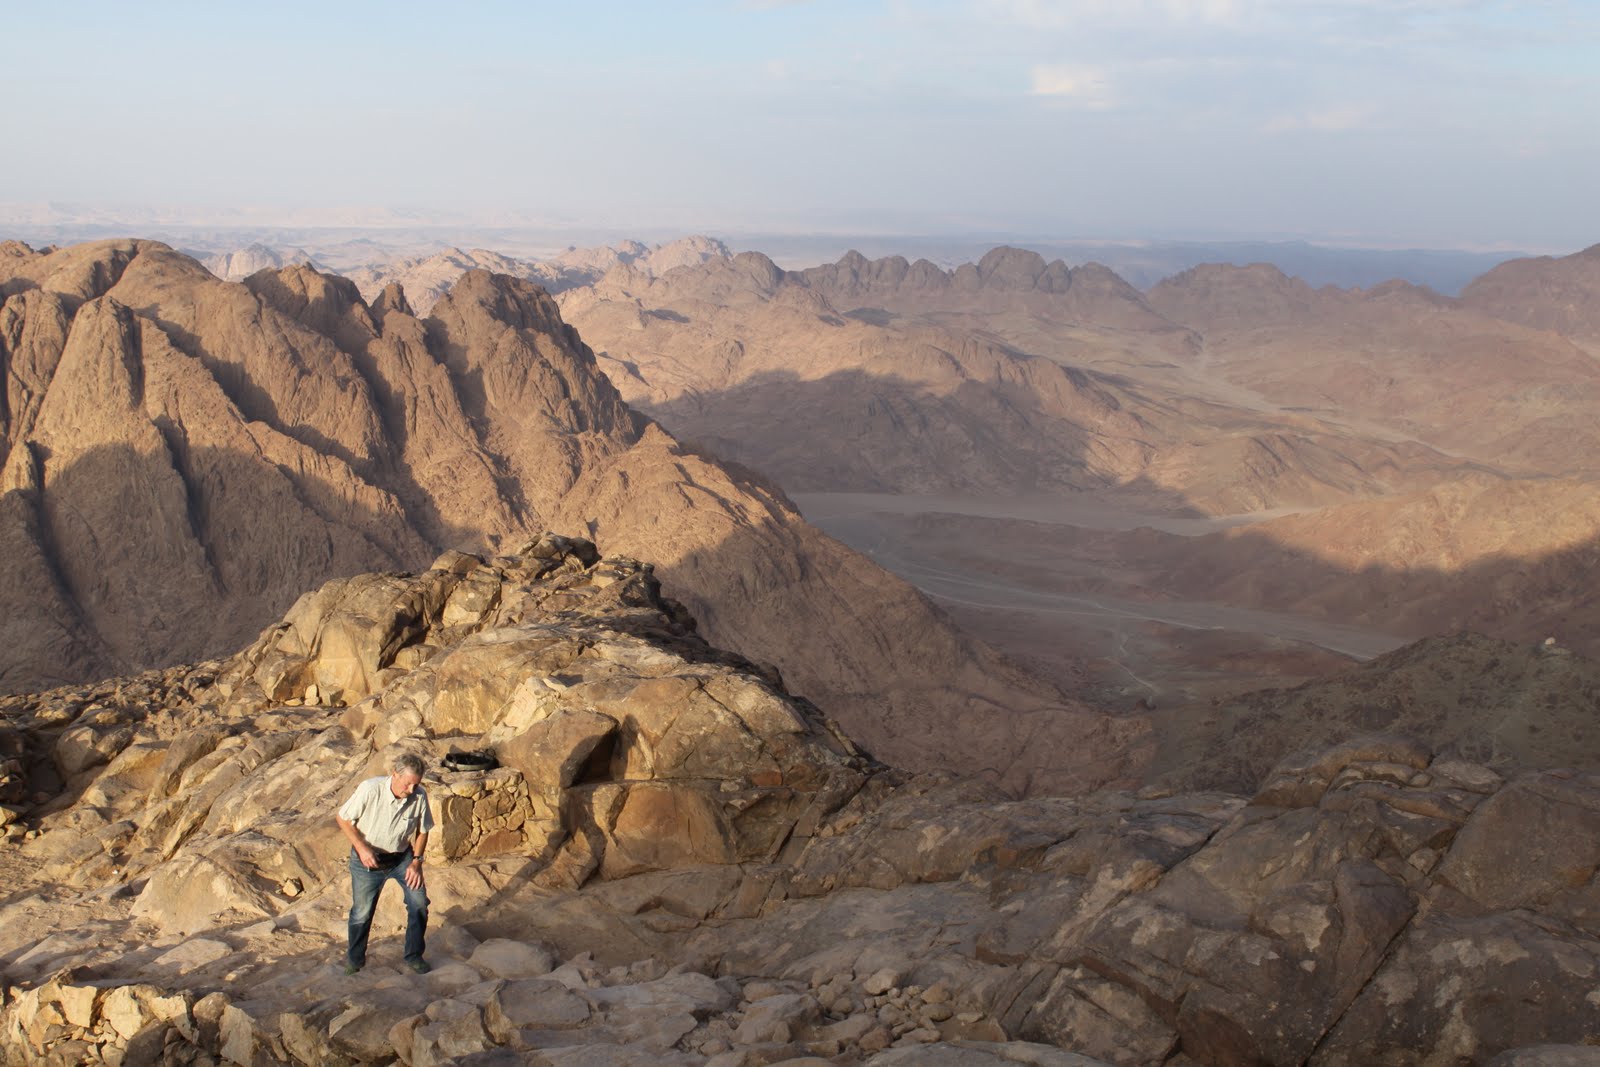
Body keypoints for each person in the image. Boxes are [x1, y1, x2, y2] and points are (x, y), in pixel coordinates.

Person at [335, 753, 435, 974]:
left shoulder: (419, 796)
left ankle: (414, 956)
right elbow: (342, 818)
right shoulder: (370, 789)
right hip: (368, 859)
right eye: (408, 783)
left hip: (402, 858)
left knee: (419, 903)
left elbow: (423, 830)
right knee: (362, 912)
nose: (411, 790)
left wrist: (417, 862)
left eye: (415, 784)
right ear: (394, 775)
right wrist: (362, 849)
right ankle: (355, 961)